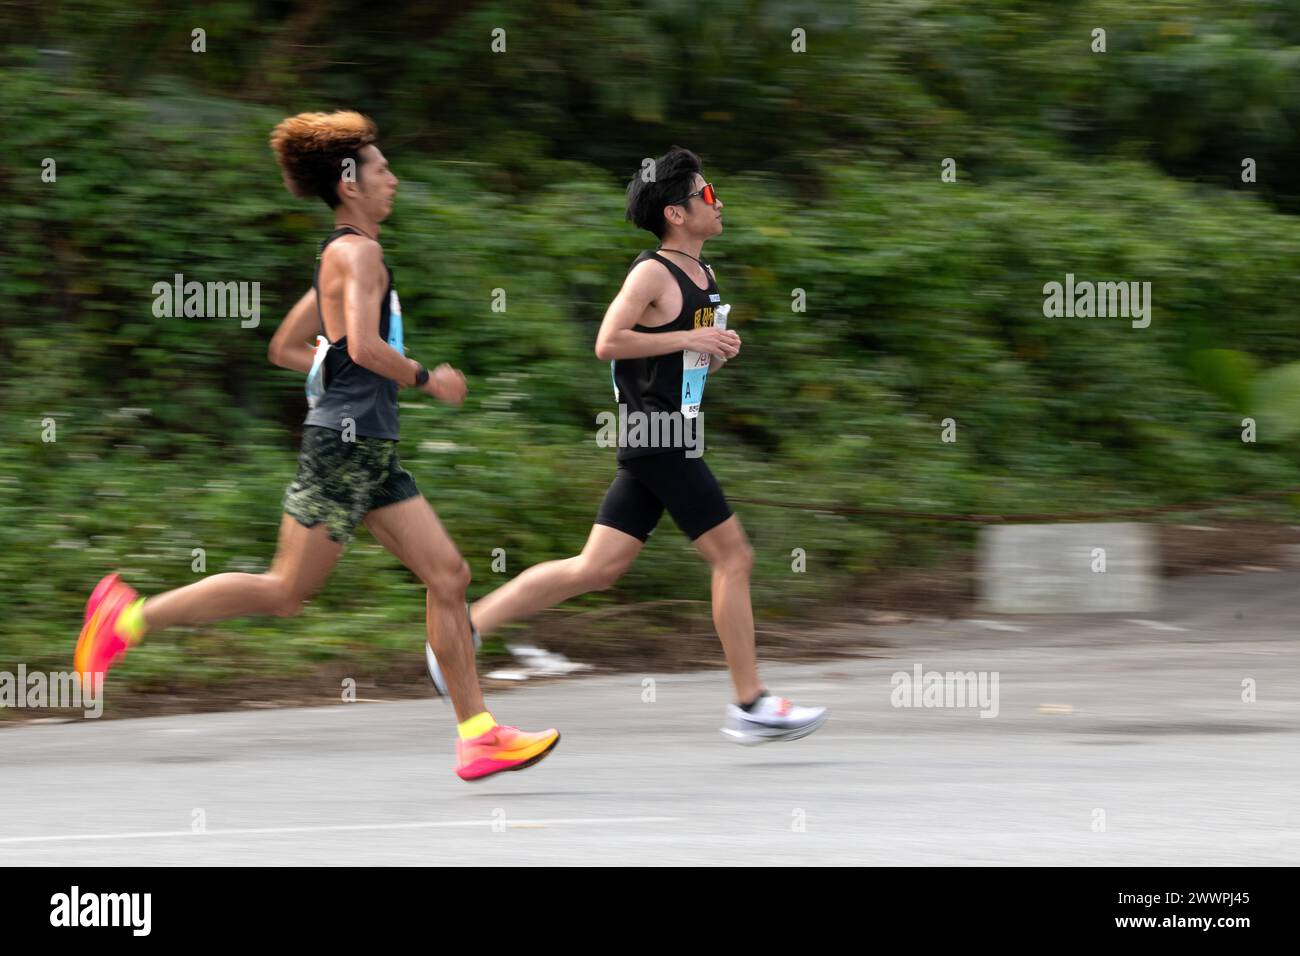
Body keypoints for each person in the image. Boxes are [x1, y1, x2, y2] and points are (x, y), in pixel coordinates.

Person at [75, 110, 559, 781]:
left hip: (370, 446)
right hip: (345, 446)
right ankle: (126, 619)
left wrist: (338, 378)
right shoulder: (359, 254)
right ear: (350, 183)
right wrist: (426, 378)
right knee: (284, 591)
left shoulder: (339, 254)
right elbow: (359, 345)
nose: (393, 179)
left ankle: (478, 734)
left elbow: (287, 348)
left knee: (448, 576)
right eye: (382, 169)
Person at [429, 146, 826, 744]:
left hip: (669, 429)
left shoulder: (705, 276)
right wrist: (684, 343)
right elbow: (608, 342)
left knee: (597, 568)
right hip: (658, 434)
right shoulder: (652, 272)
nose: (718, 203)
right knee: (733, 557)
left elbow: (675, 361)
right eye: (708, 195)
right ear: (676, 213)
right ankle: (750, 703)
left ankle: (463, 630)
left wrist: (713, 352)